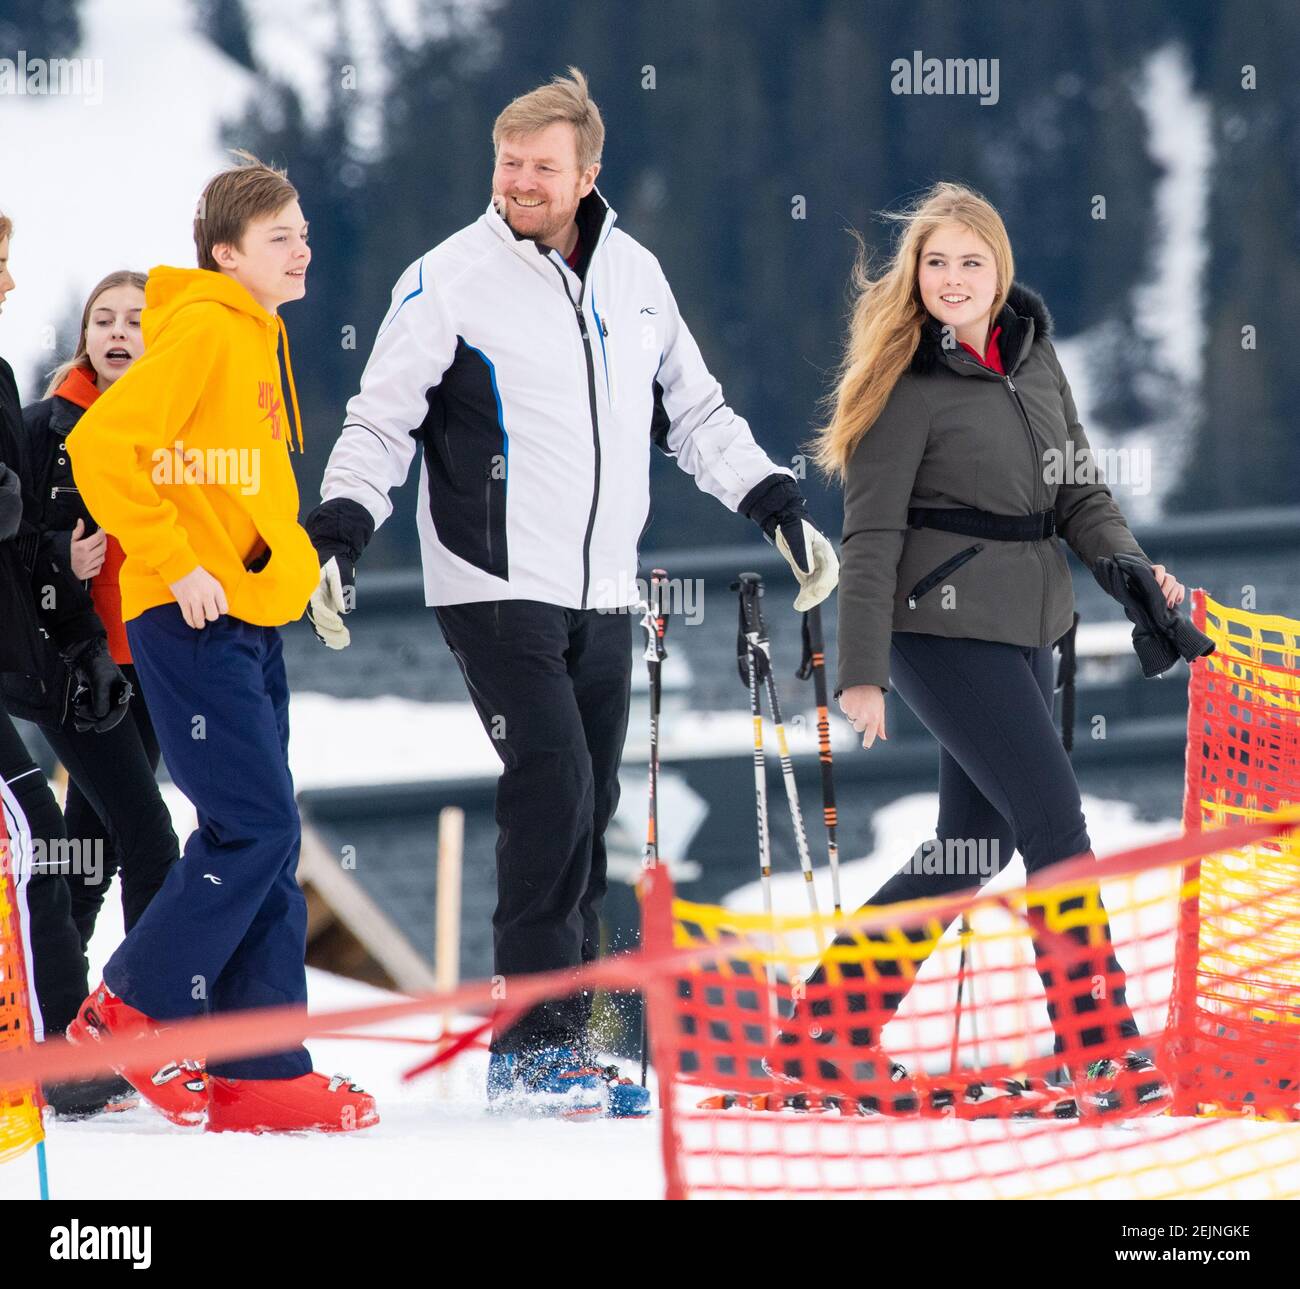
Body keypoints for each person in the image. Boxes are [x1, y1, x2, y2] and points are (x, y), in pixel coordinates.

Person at [304, 69, 839, 1118]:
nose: (520, 184)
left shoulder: (634, 276)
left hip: (602, 589)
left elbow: (693, 410)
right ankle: (530, 1049)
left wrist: (776, 503)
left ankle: (567, 1035)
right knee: (550, 787)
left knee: (588, 812)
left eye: (542, 168)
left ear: (588, 173)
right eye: (508, 166)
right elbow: (379, 420)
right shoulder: (447, 279)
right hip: (491, 581)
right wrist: (341, 532)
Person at [796, 182, 1183, 1115]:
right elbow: (870, 536)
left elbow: (1078, 488)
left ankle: (824, 1033)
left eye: (972, 261)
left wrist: (1127, 566)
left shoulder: (1035, 360)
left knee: (969, 847)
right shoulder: (903, 384)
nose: (955, 278)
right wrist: (861, 671)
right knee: (1056, 819)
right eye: (937, 262)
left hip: (1028, 624)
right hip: (937, 627)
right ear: (916, 276)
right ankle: (1098, 1043)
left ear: (999, 268)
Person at [64, 154, 376, 1134]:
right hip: (190, 619)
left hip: (250, 620)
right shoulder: (203, 328)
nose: (303, 249)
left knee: (268, 838)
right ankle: (130, 1010)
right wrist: (173, 559)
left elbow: (234, 493)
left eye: (304, 233)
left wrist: (293, 571)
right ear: (226, 252)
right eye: (281, 237)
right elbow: (104, 448)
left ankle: (261, 1069)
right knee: (253, 830)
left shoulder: (253, 336)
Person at [0, 212, 137, 1118]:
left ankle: (61, 1046)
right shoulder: (48, 415)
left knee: (66, 851)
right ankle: (68, 1055)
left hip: (99, 667)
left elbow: (25, 550)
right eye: (105, 319)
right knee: (47, 847)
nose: (10, 283)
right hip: (52, 673)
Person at [4, 271, 180, 952]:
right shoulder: (39, 427)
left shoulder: (177, 426)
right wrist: (60, 556)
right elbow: (8, 538)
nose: (117, 332)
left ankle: (56, 1025)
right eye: (103, 320)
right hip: (73, 668)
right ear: (84, 339)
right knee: (151, 838)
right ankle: (151, 1026)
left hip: (153, 664)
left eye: (135, 321)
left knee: (89, 855)